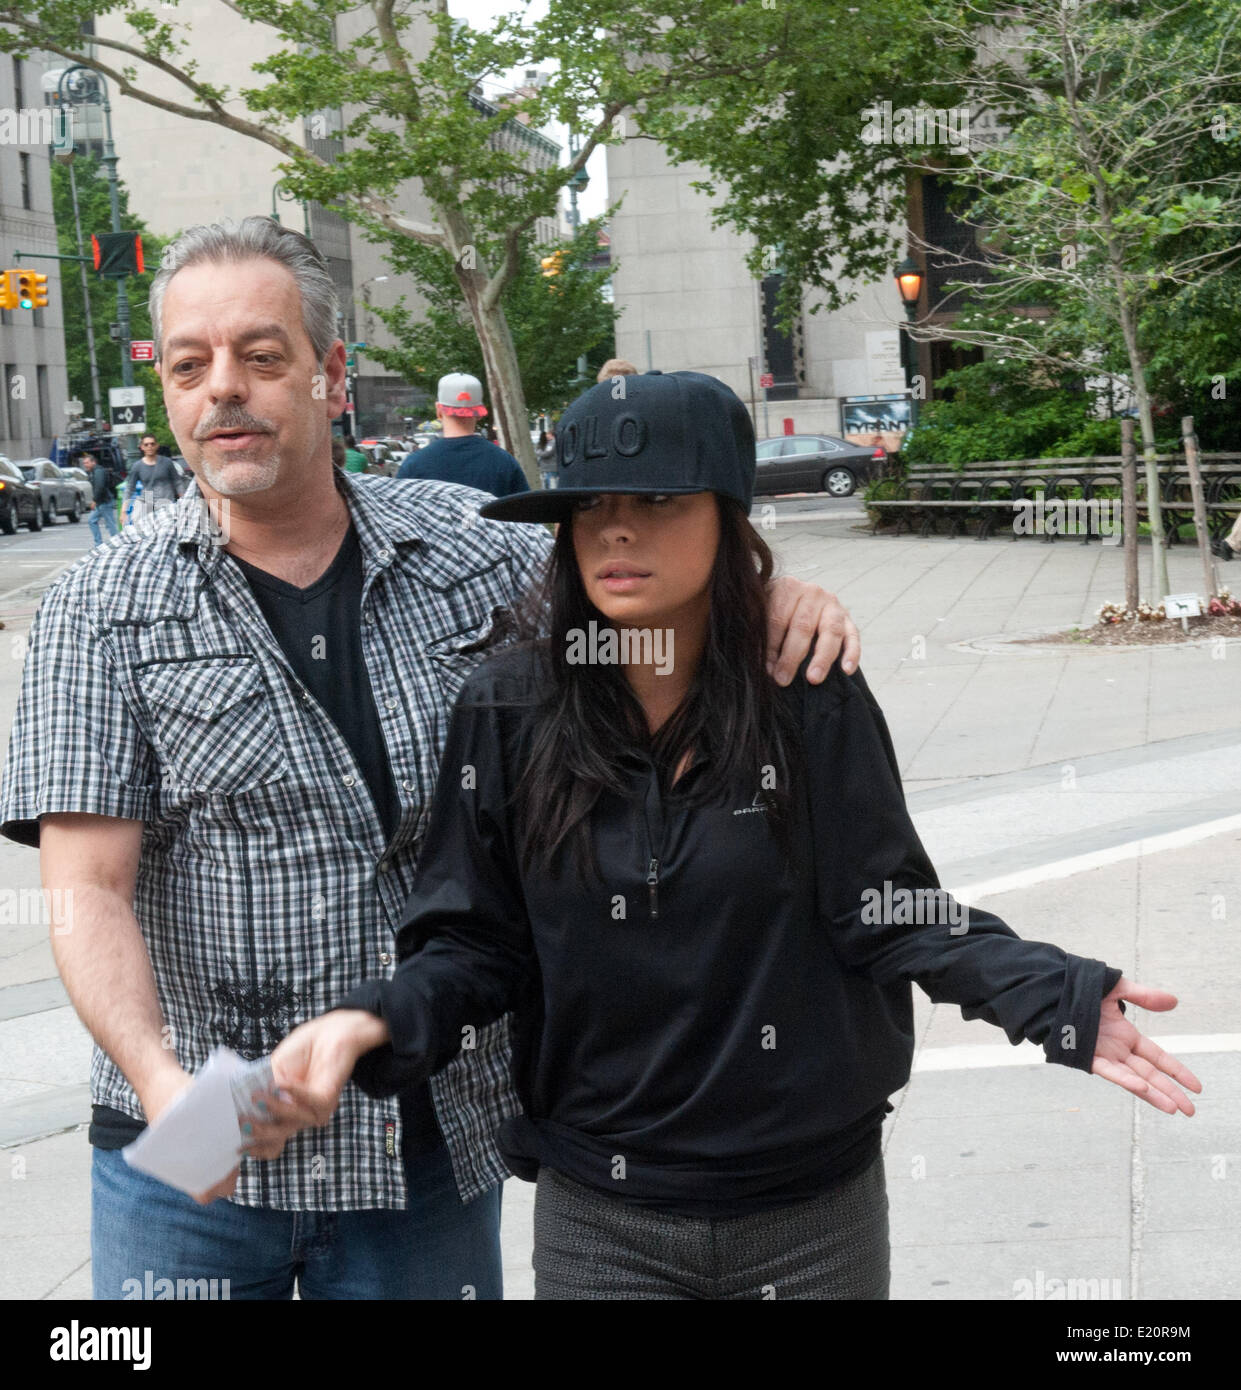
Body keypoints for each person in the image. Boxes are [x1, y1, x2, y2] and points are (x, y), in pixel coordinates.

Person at [0, 220, 861, 1302]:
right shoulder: (100, 606)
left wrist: (771, 592)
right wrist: (163, 1086)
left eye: (262, 357)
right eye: (189, 365)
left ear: (329, 372)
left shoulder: (476, 549)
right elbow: (86, 890)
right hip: (192, 1143)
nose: (223, 389)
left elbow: (657, 579)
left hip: (421, 1134)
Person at [265, 370, 1201, 1302]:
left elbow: (886, 908)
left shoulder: (806, 693)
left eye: (658, 501)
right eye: (590, 506)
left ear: (727, 517)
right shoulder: (508, 706)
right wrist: (377, 1018)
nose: (616, 528)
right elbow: (473, 941)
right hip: (603, 1218)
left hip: (809, 1217)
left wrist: (1050, 992)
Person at [396, 373, 529, 498]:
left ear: (439, 410)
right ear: (479, 413)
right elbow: (525, 517)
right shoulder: (504, 462)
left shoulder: (414, 464)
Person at [121, 433, 186, 526]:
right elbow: (129, 488)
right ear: (141, 447)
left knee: (167, 532)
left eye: (152, 444)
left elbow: (177, 482)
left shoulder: (167, 462)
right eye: (146, 445)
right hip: (148, 503)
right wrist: (123, 511)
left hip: (166, 502)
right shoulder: (137, 466)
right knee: (143, 529)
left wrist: (183, 500)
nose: (149, 447)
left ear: (157, 446)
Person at [80, 452, 119, 545]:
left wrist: (95, 500)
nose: (85, 465)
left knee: (110, 524)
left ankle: (117, 543)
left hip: (104, 501)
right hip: (101, 502)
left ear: (94, 462)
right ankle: (99, 544)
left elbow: (100, 487)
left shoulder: (98, 472)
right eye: (84, 463)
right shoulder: (95, 471)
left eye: (87, 463)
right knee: (92, 521)